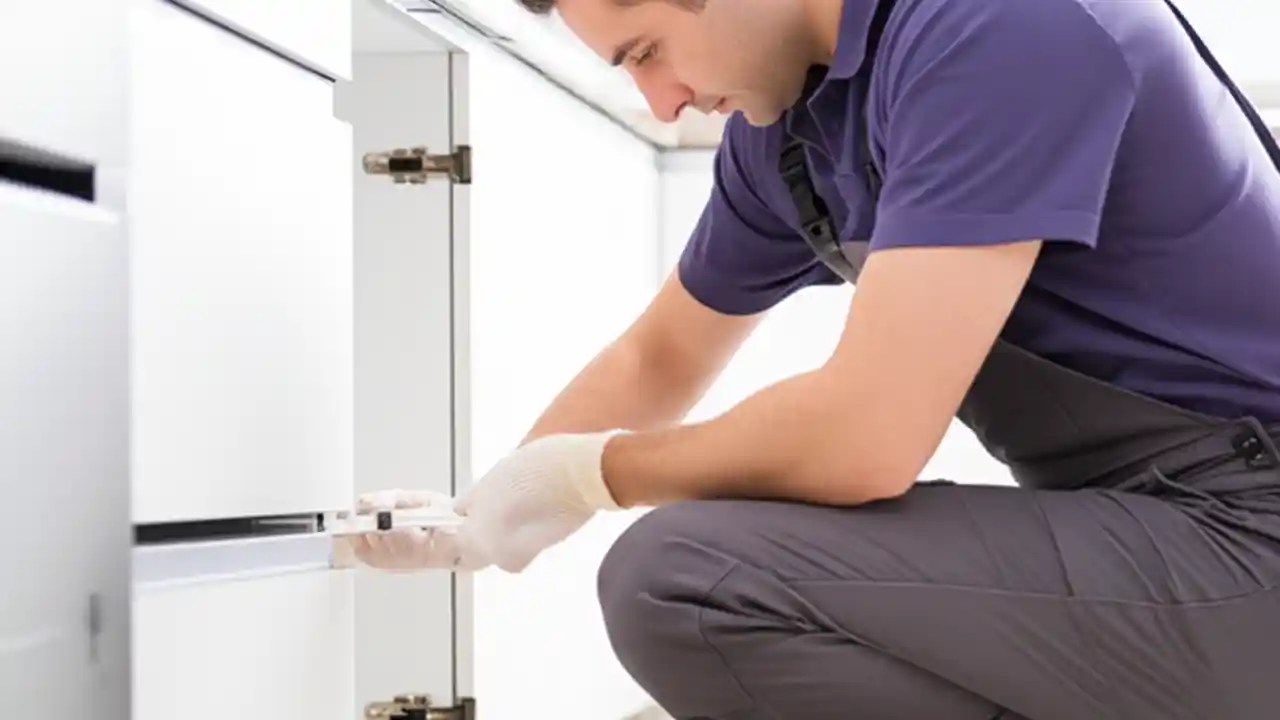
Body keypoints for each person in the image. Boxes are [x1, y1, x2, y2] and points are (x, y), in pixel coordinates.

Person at [345, 0, 1280, 717]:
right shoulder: (795, 122)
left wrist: (584, 476)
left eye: (646, 50)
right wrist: (484, 511)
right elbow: (661, 354)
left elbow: (864, 440)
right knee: (691, 600)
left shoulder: (1001, 29)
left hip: (1252, 534)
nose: (662, 100)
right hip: (1155, 523)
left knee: (686, 579)